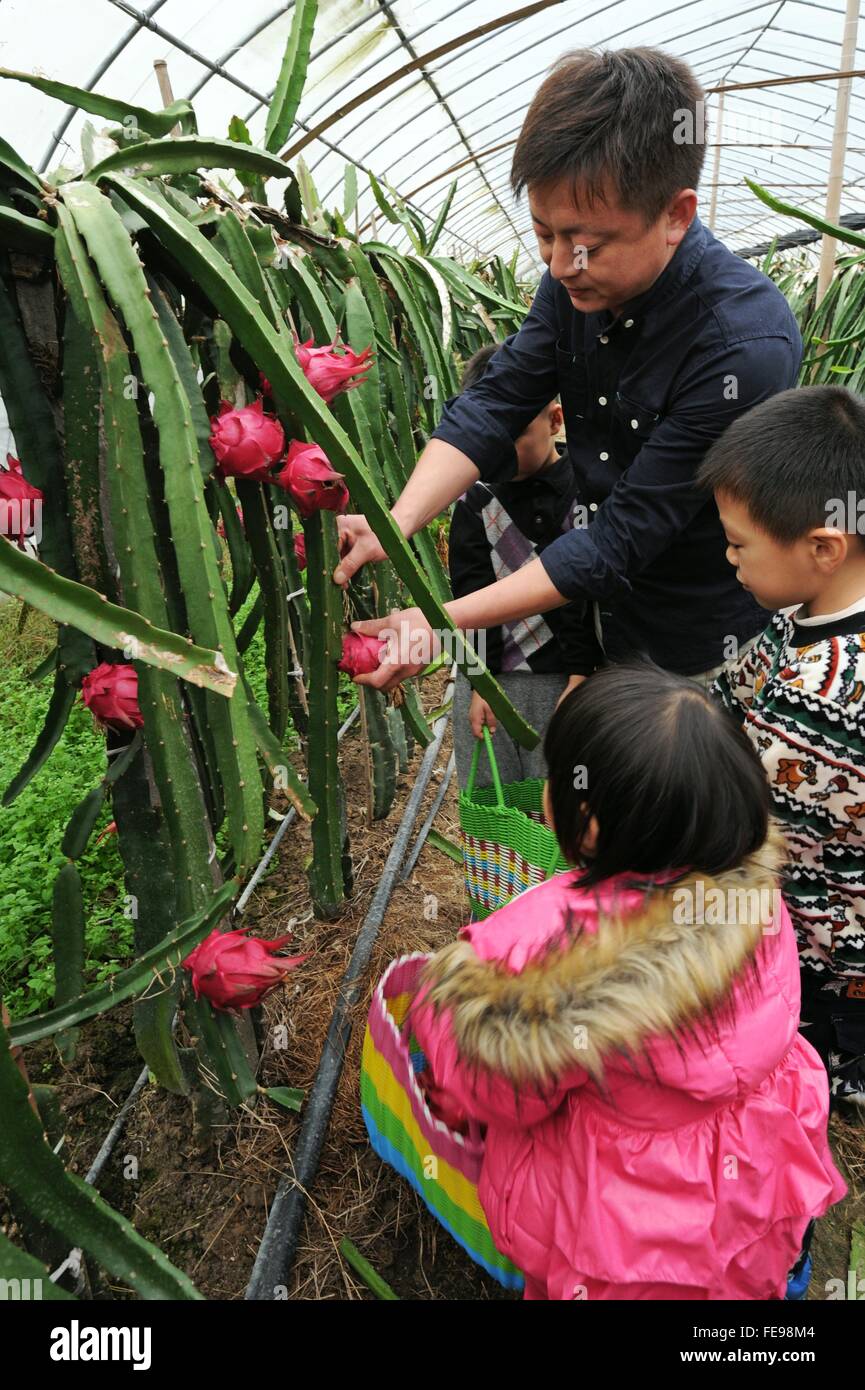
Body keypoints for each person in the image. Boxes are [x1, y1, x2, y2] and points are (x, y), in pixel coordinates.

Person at [334, 47, 802, 697]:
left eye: (584, 243)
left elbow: (618, 539)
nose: (557, 264)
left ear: (675, 215)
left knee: (687, 792)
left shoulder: (742, 346)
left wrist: (438, 627)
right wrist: (395, 521)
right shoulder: (574, 276)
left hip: (707, 650)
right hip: (611, 620)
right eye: (541, 233)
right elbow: (498, 398)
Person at [402, 663, 846, 1300]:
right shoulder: (754, 898)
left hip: (627, 1229)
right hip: (749, 1174)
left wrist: (441, 1043)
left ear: (587, 824)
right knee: (748, 1270)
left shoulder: (539, 949)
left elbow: (494, 1085)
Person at [698, 385, 865, 1116]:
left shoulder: (827, 695)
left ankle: (832, 1082)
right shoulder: (804, 613)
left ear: (822, 547)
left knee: (821, 1042)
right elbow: (729, 694)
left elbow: (751, 825)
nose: (729, 560)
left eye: (738, 545)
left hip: (831, 942)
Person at [448, 344, 593, 789]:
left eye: (514, 436)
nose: (499, 454)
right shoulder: (474, 502)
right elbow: (468, 597)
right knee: (499, 805)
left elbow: (590, 594)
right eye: (487, 438)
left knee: (567, 803)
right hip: (495, 684)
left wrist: (583, 676)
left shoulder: (588, 492)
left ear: (554, 420)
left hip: (572, 682)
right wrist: (479, 684)